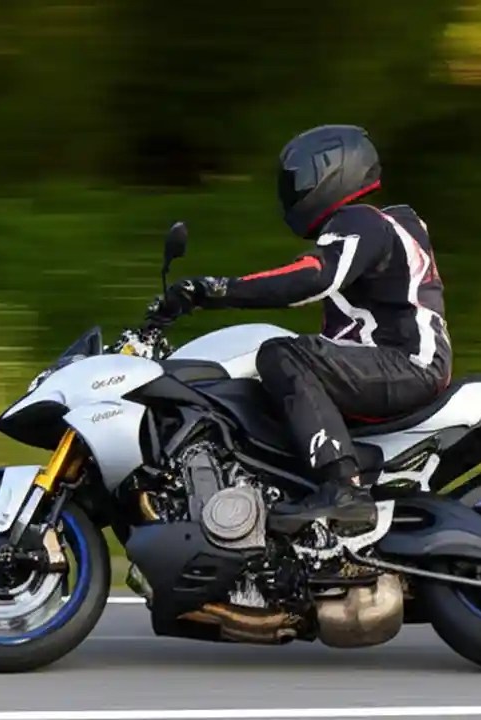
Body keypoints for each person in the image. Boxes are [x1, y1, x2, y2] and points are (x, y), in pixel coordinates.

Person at [146, 124, 451, 533]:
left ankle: (344, 491)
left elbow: (314, 276)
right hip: (390, 363)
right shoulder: (373, 226)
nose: (291, 191)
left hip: (406, 363)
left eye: (297, 180)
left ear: (331, 170)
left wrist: (214, 290)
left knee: (281, 354)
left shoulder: (363, 221)